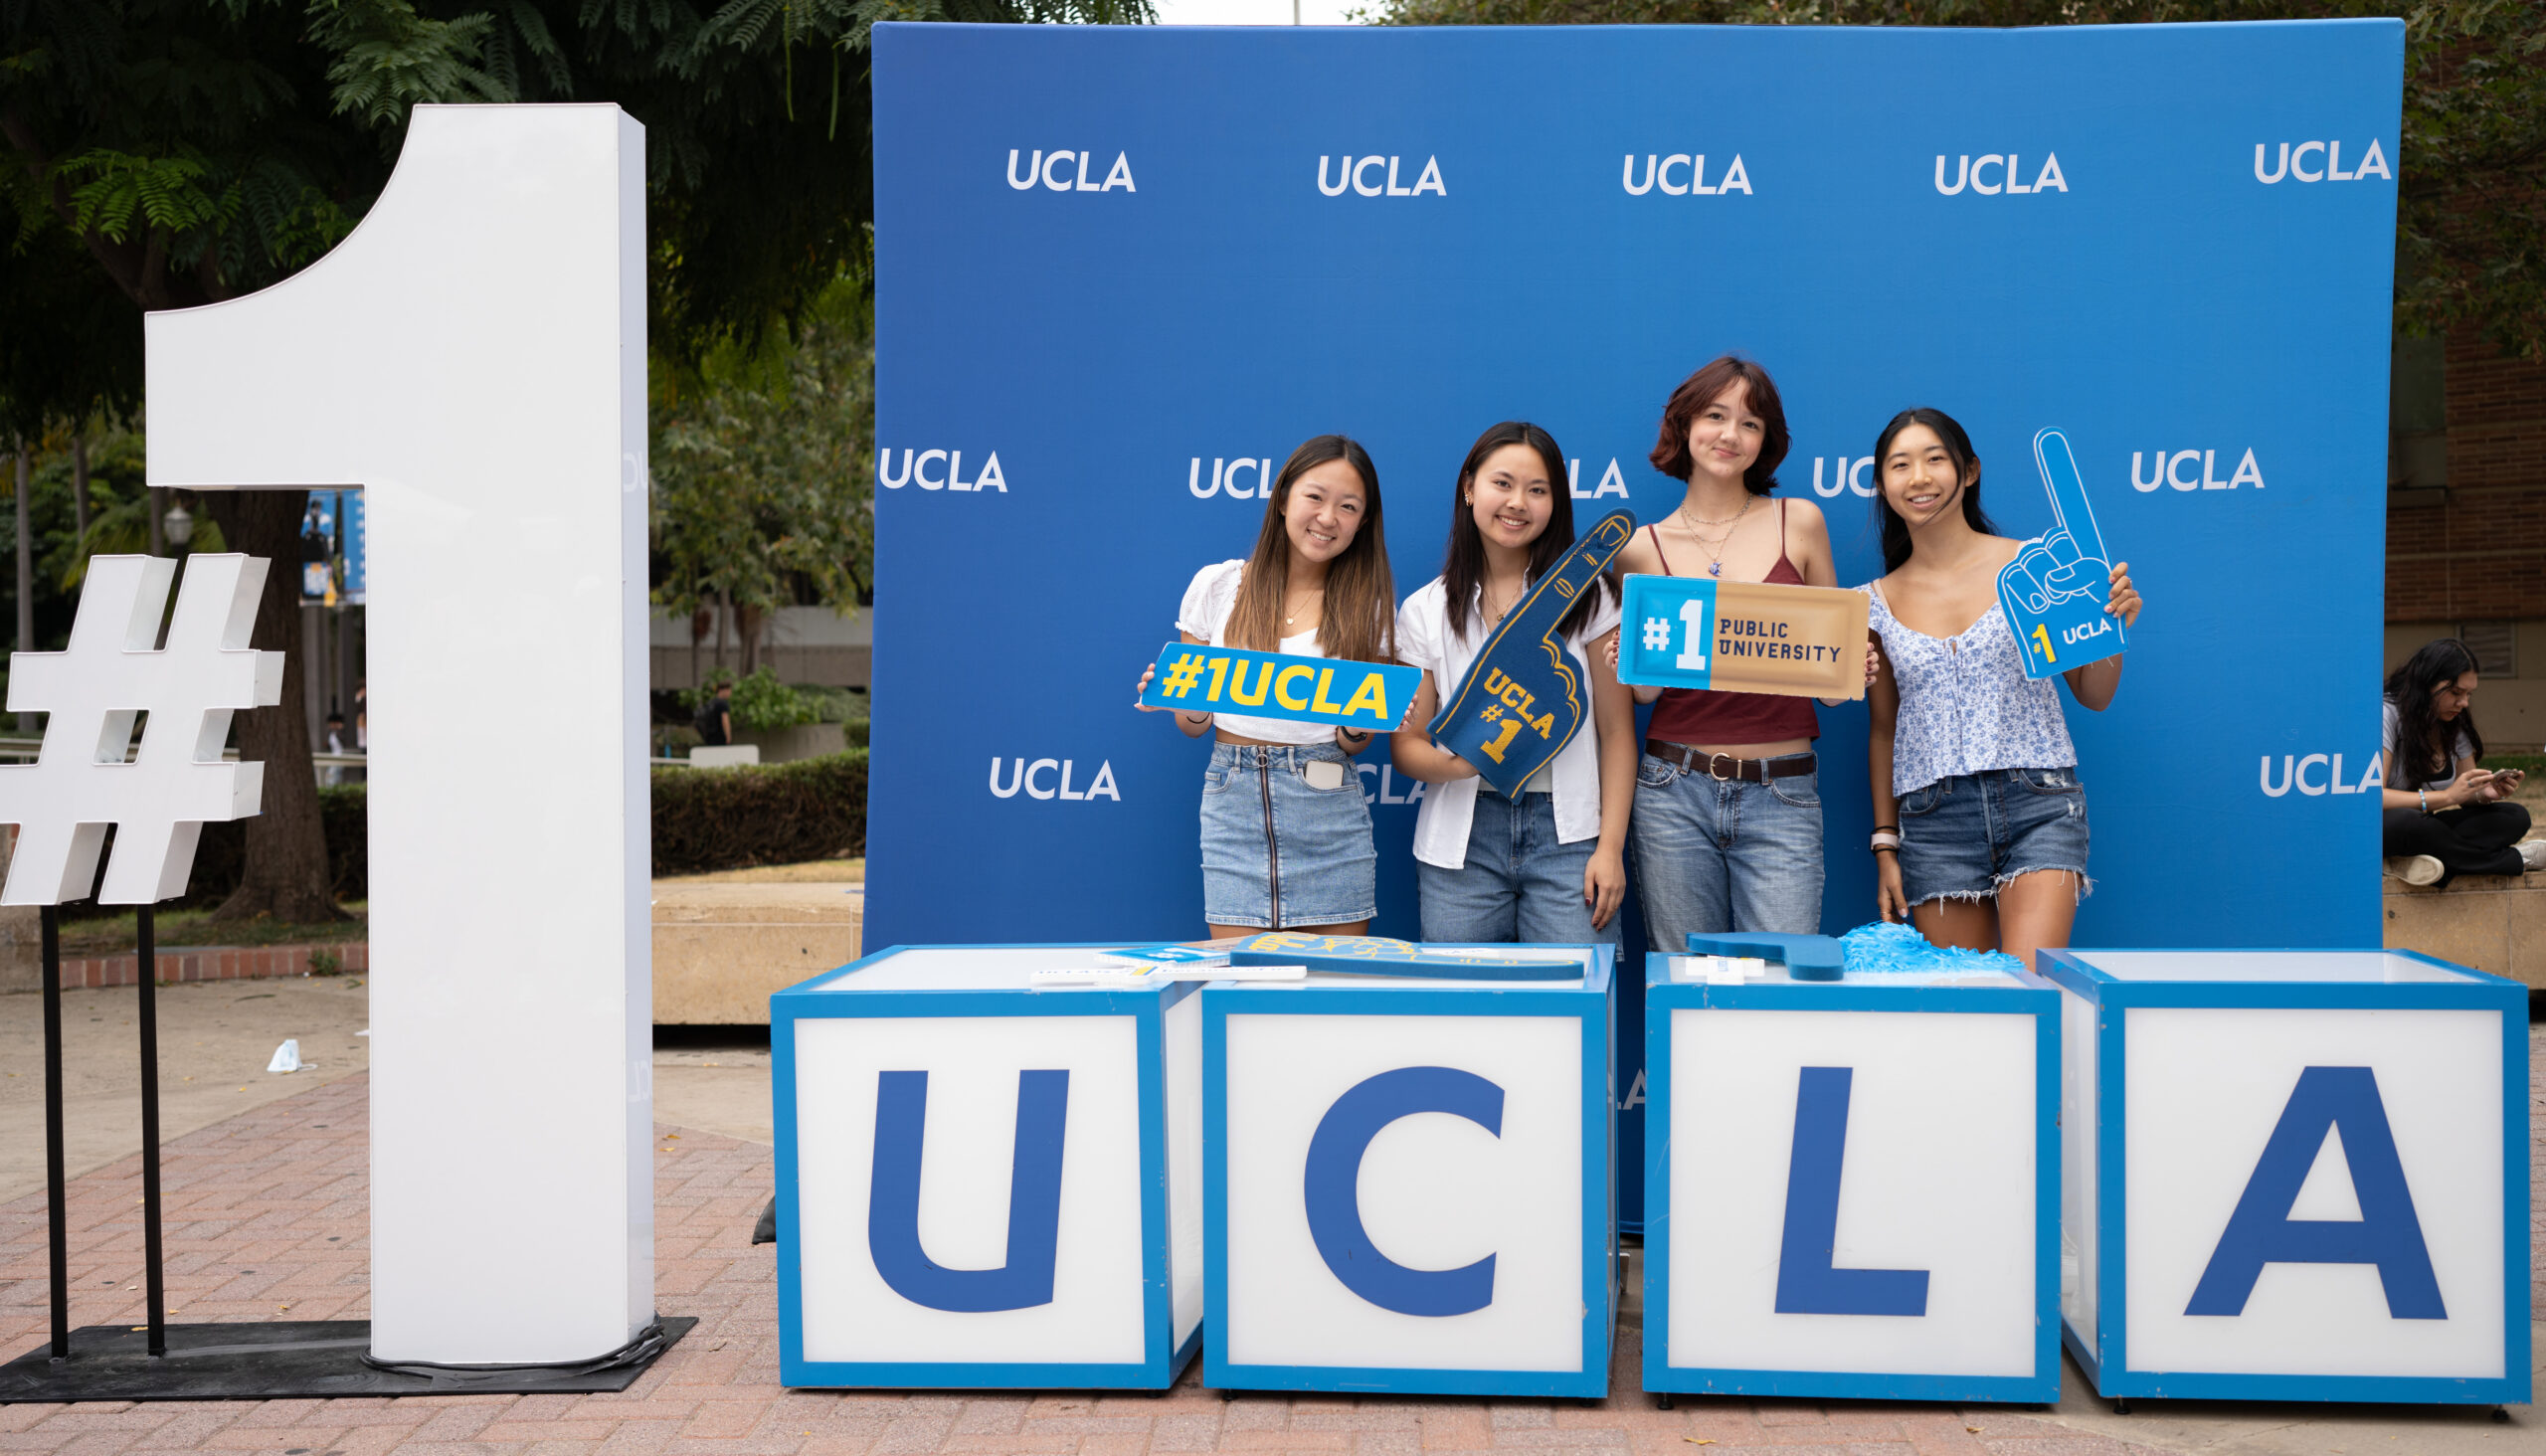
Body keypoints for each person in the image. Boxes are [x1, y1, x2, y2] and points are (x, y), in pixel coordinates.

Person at [1863, 407, 2142, 972]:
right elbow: (1884, 729)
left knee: (2030, 990)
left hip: (2039, 802)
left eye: (1935, 459)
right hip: (1933, 822)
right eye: (1900, 464)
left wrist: (2110, 626)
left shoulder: (2033, 566)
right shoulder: (1872, 602)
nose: (1919, 477)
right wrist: (1885, 843)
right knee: (1972, 1006)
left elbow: (2094, 694)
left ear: (1969, 471)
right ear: (1883, 484)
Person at [1606, 356, 1851, 943]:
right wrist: (1625, 660)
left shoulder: (1800, 522)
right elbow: (1645, 693)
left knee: (1783, 979)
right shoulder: (1639, 550)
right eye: (1715, 416)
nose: (1730, 434)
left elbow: (1834, 684)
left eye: (1750, 423)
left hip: (1783, 790)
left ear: (1766, 440)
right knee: (1685, 980)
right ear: (1685, 424)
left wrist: (1852, 667)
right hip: (1672, 791)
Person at [1137, 436, 1398, 937]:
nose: (1327, 517)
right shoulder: (1218, 586)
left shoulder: (1369, 607)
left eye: (1348, 507)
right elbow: (1193, 726)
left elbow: (1353, 743)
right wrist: (1180, 694)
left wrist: (1364, 721)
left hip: (1329, 808)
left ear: (1363, 521)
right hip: (1232, 809)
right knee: (1240, 977)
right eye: (1314, 496)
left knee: (1334, 982)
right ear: (1282, 499)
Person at [1389, 422, 1633, 944]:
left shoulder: (1592, 597)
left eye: (1537, 490)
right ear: (1469, 487)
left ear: (1556, 503)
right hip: (1462, 840)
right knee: (1460, 996)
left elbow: (1616, 732)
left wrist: (1610, 847)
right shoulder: (1425, 610)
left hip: (1571, 838)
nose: (1517, 503)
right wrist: (1461, 762)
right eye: (1502, 483)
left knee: (1577, 992)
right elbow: (1407, 746)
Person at [2380, 637, 2538, 884]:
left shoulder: (2453, 722)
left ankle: (2414, 862)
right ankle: (2515, 860)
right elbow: (2373, 797)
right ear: (2427, 682)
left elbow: (2466, 793)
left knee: (2515, 817)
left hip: (2427, 830)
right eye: (2455, 692)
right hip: (2386, 827)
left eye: (2468, 694)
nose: (2463, 703)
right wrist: (2445, 797)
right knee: (2410, 822)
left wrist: (2485, 794)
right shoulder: (2386, 714)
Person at [694, 679, 733, 748]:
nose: (730, 693)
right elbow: (725, 720)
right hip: (720, 738)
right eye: (729, 690)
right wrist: (728, 736)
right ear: (722, 690)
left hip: (709, 737)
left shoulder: (711, 702)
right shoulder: (723, 703)